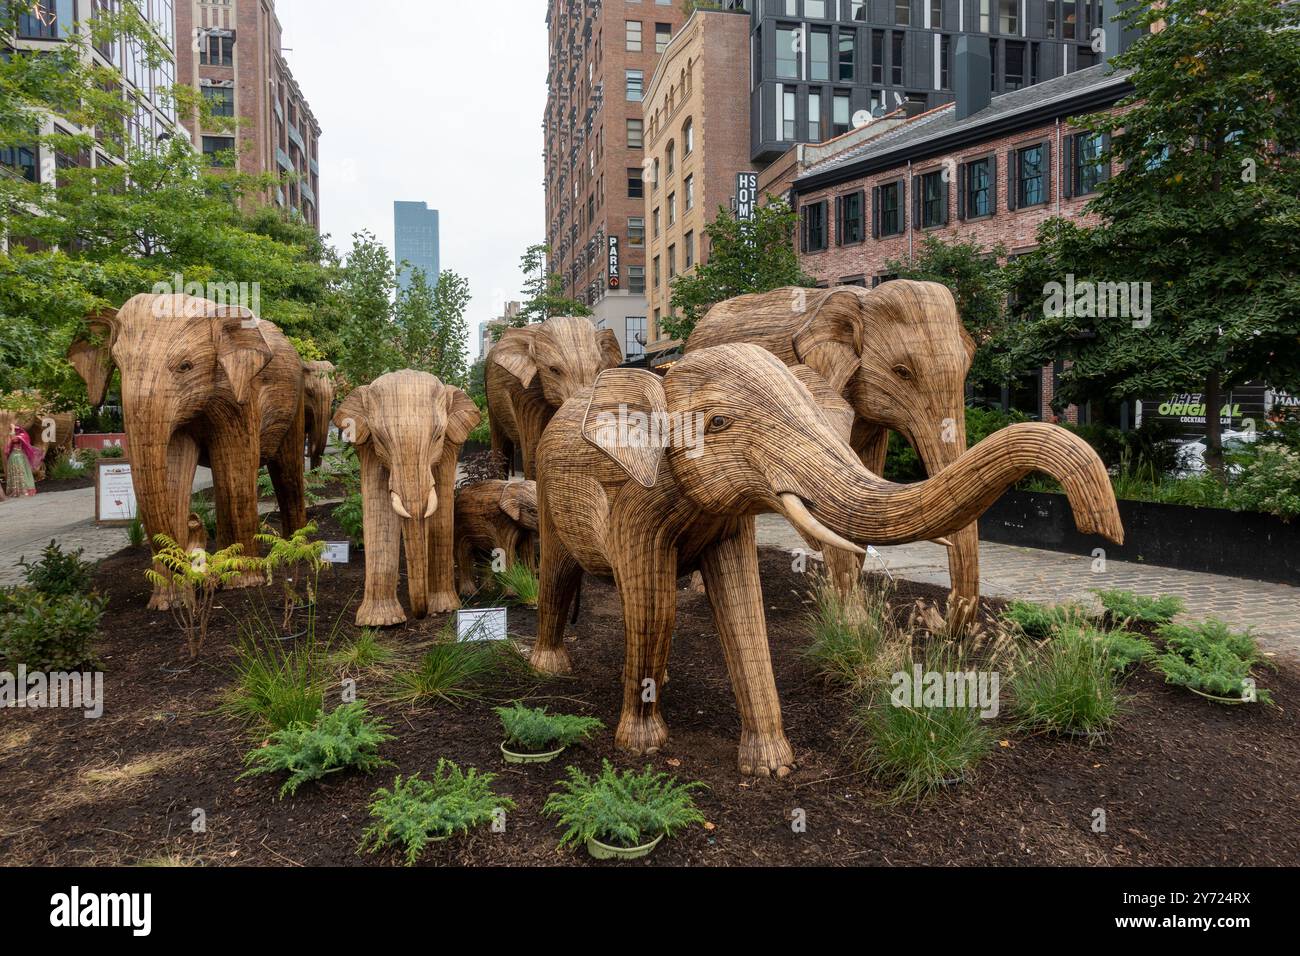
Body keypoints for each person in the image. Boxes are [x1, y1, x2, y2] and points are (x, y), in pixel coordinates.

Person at [5, 423, 42, 498]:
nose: (14, 431)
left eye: (16, 430)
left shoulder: (22, 436)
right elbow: (9, 445)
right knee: (15, 472)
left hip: (20, 457)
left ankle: (24, 490)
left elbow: (13, 439)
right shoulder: (16, 435)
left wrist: (12, 429)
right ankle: (16, 491)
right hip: (14, 457)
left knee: (22, 472)